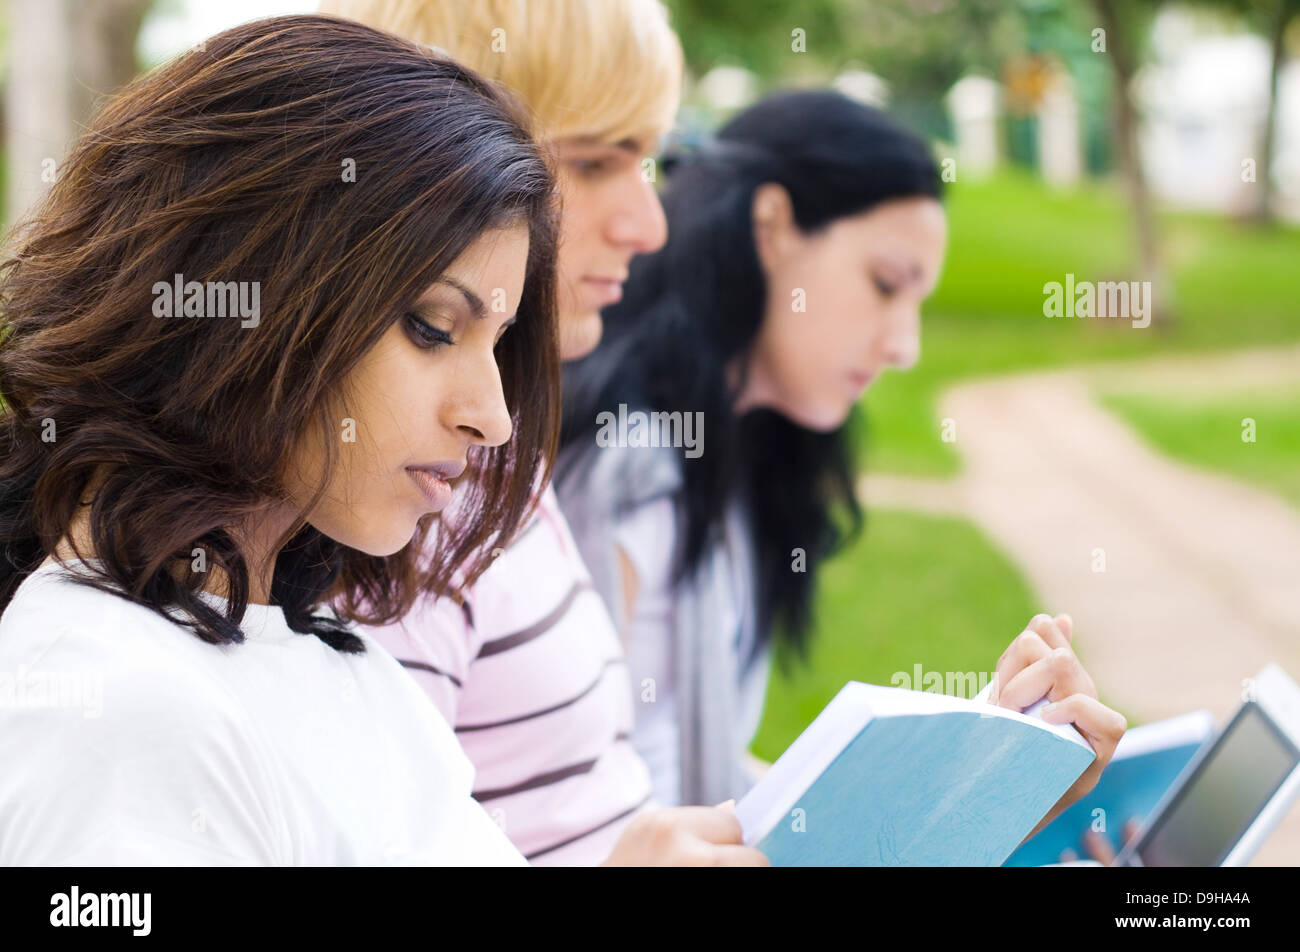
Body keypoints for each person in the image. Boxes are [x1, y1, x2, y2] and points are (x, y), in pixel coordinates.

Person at [0, 14, 754, 866]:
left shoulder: (325, 655)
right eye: (433, 328)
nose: (494, 417)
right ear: (249, 296)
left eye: (498, 345)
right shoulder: (120, 708)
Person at [556, 90, 1127, 827]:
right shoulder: (617, 478)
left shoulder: (740, 463)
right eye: (886, 285)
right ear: (770, 226)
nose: (904, 345)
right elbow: (581, 821)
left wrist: (983, 771)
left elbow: (721, 794)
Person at [323, 0, 763, 866]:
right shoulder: (391, 495)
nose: (650, 225)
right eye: (595, 161)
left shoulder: (491, 458)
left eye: (650, 160)